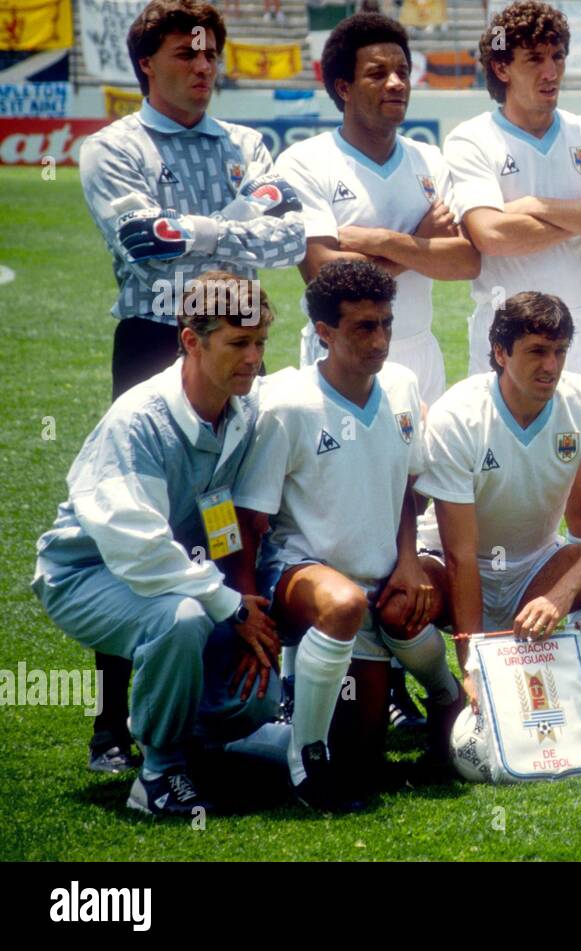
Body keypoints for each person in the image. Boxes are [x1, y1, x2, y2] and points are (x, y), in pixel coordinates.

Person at [77, 0, 306, 774]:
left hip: (238, 337)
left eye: (210, 55)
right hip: (154, 341)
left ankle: (239, 697)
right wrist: (235, 225)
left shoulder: (245, 141)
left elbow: (292, 230)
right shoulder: (112, 146)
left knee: (232, 522)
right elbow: (141, 243)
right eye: (186, 55)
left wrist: (195, 228)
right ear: (147, 64)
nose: (203, 67)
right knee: (138, 527)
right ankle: (113, 724)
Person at [275, 11, 479, 728]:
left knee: (410, 515)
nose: (396, 83)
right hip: (340, 364)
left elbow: (467, 259)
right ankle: (356, 672)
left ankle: (400, 658)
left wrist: (386, 241)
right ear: (338, 86)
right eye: (376, 72)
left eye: (402, 70)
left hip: (418, 355)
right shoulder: (306, 162)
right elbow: (320, 267)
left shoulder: (428, 159)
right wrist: (418, 243)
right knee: (344, 524)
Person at [32, 273, 284, 817]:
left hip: (177, 574)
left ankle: (184, 735)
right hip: (87, 574)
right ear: (191, 341)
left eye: (260, 343)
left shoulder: (241, 408)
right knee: (182, 620)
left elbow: (219, 510)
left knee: (255, 695)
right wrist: (231, 606)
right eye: (238, 343)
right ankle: (158, 774)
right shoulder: (137, 420)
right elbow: (139, 551)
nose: (253, 358)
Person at [234, 260, 456, 812]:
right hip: (301, 579)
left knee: (366, 761)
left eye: (385, 323)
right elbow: (245, 519)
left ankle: (446, 697)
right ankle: (305, 758)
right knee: (343, 602)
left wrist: (408, 560)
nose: (380, 339)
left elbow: (409, 487)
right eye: (363, 327)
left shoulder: (403, 387)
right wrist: (244, 607)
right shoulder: (287, 403)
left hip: (377, 586)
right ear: (325, 334)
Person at [414, 292, 581, 728]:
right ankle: (446, 695)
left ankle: (560, 669)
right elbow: (460, 552)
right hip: (453, 571)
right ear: (499, 352)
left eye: (559, 352)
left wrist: (560, 594)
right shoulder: (459, 414)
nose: (551, 365)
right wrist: (470, 661)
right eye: (536, 352)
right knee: (400, 606)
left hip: (537, 570)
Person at [442, 0, 581, 537]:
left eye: (557, 56)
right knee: (499, 483)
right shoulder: (471, 138)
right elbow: (490, 234)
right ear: (503, 67)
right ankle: (495, 608)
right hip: (504, 329)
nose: (552, 72)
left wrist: (537, 206)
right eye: (535, 59)